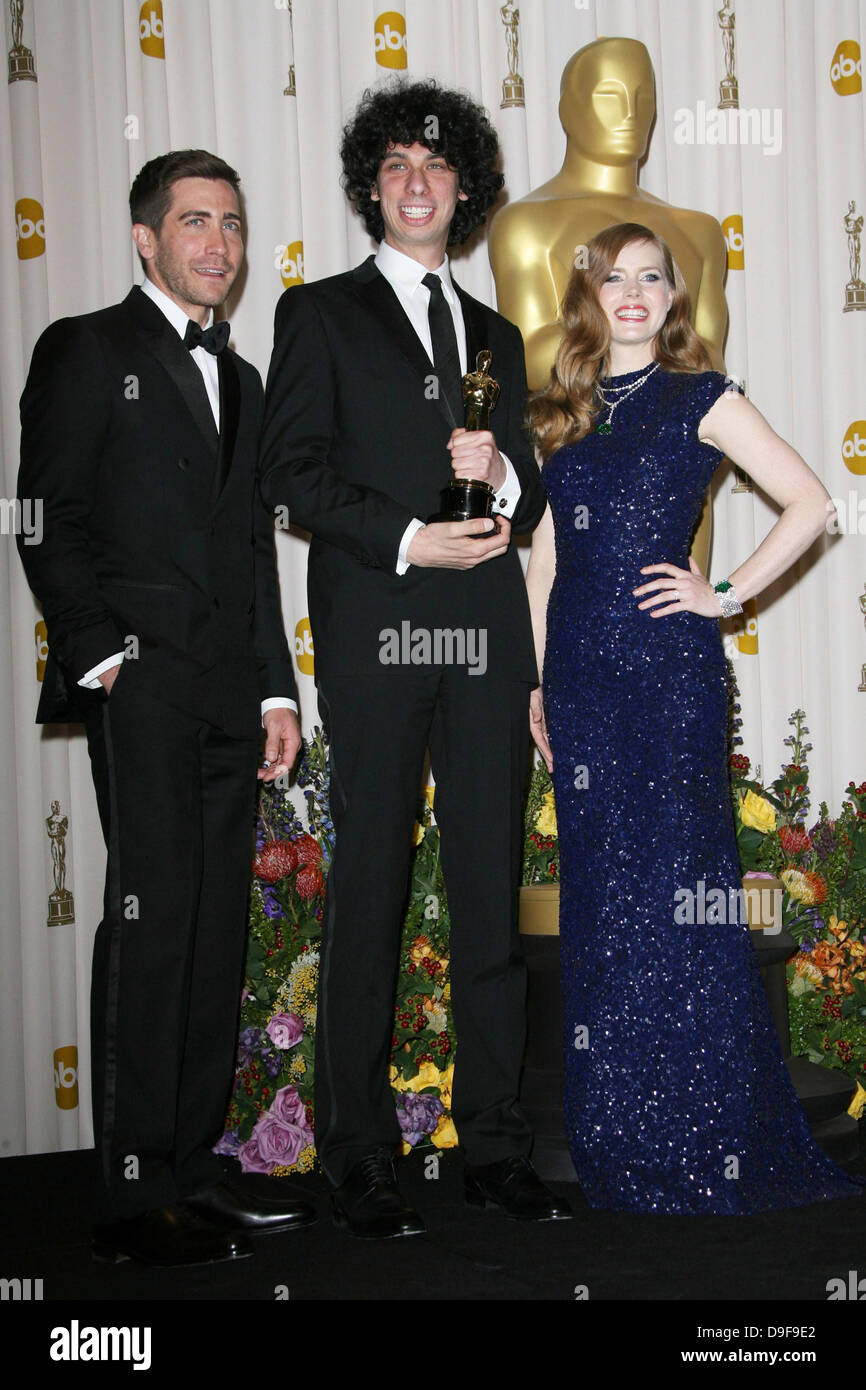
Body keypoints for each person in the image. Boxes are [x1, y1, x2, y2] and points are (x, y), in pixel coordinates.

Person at [259, 80, 570, 1236]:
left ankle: (493, 1146)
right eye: (393, 165)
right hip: (380, 629)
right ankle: (356, 1154)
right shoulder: (320, 313)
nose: (416, 182)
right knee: (373, 891)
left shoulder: (496, 334)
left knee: (489, 884)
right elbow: (291, 474)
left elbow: (525, 490)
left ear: (466, 190)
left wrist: (496, 479)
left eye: (436, 167)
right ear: (369, 187)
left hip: (487, 635)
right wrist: (404, 536)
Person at [524, 222, 863, 1213]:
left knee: (679, 891)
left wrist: (724, 591)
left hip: (667, 677)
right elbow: (542, 560)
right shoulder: (561, 414)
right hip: (581, 680)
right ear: (586, 297)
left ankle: (704, 1130)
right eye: (610, 277)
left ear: (674, 298)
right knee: (605, 906)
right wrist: (539, 686)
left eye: (649, 277)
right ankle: (621, 1133)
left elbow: (809, 501)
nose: (629, 291)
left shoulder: (700, 398)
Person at [17, 150, 316, 1265]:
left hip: (230, 699)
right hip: (137, 685)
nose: (219, 246)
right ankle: (135, 1190)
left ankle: (193, 1165)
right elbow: (40, 511)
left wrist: (276, 684)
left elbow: (248, 548)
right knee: (150, 926)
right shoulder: (88, 347)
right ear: (146, 238)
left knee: (211, 929)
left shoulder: (238, 379)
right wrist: (101, 658)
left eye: (232, 225)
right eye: (195, 222)